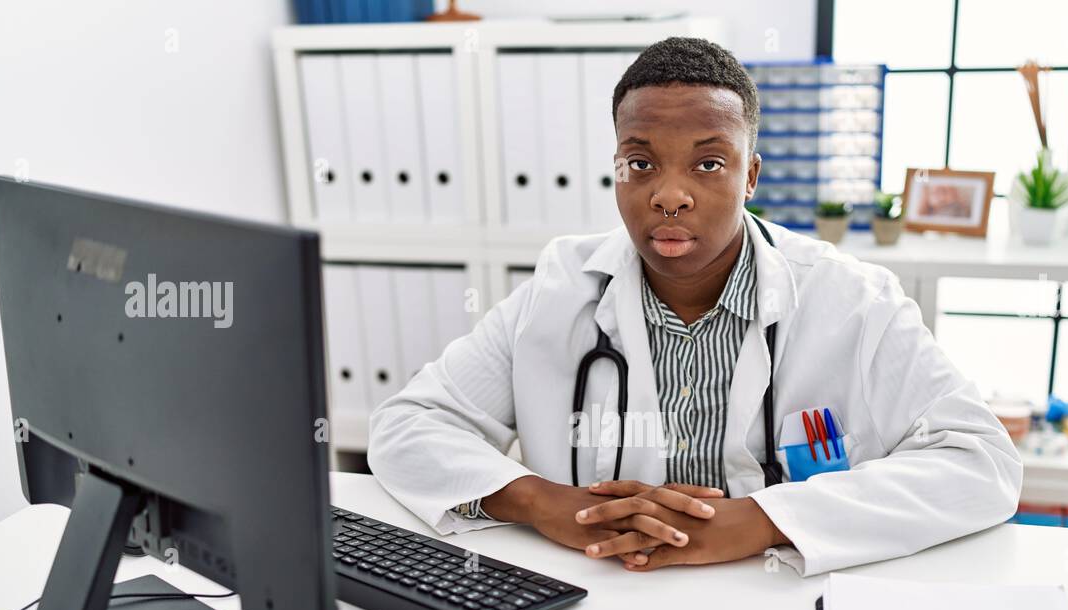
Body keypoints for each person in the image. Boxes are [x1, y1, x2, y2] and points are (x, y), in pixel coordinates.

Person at [368, 37, 1021, 576]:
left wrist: (764, 520)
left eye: (708, 164)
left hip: (782, 602)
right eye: (641, 164)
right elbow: (408, 425)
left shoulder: (852, 300)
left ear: (752, 175)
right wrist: (546, 504)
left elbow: (982, 462)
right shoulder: (561, 288)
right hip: (601, 596)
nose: (669, 195)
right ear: (617, 170)